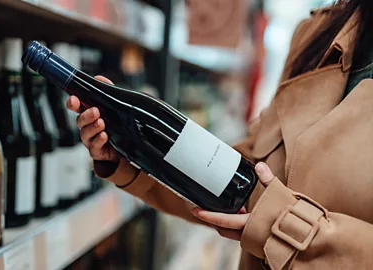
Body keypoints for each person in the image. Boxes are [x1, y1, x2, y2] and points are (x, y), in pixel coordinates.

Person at [66, 0, 373, 269]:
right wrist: (130, 153)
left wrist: (282, 228)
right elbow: (240, 177)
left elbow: (268, 208)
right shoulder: (321, 33)